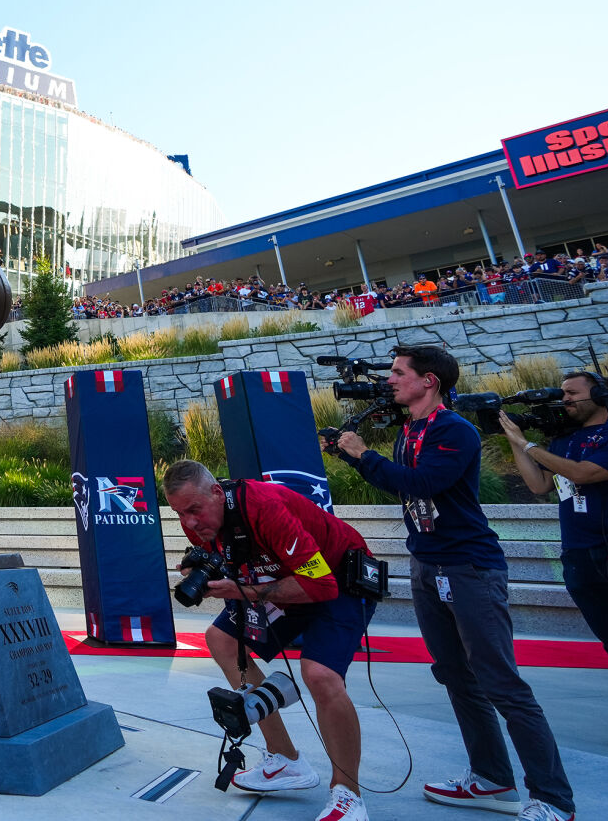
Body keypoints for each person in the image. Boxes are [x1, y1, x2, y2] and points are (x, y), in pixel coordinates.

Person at [334, 344, 574, 821]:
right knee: (457, 678)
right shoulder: (411, 430)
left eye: (400, 373)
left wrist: (364, 453)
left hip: (469, 569)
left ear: (430, 382)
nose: (391, 380)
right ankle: (491, 778)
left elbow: (425, 484)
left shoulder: (453, 429)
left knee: (503, 685)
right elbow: (402, 482)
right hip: (427, 565)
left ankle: (553, 800)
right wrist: (355, 458)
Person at [162, 461, 377, 821]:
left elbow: (322, 585)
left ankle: (347, 794)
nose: (190, 523)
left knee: (320, 674)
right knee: (220, 639)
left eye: (195, 509)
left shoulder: (263, 507)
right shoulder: (200, 524)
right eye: (180, 514)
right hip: (281, 580)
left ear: (217, 492)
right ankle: (286, 760)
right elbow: (231, 565)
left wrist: (245, 590)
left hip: (339, 578)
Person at [499, 370, 608, 750]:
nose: (565, 399)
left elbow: (583, 474)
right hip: (579, 555)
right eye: (563, 394)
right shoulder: (565, 441)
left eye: (573, 393)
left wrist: (529, 446)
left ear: (601, 395)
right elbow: (540, 486)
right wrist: (514, 443)